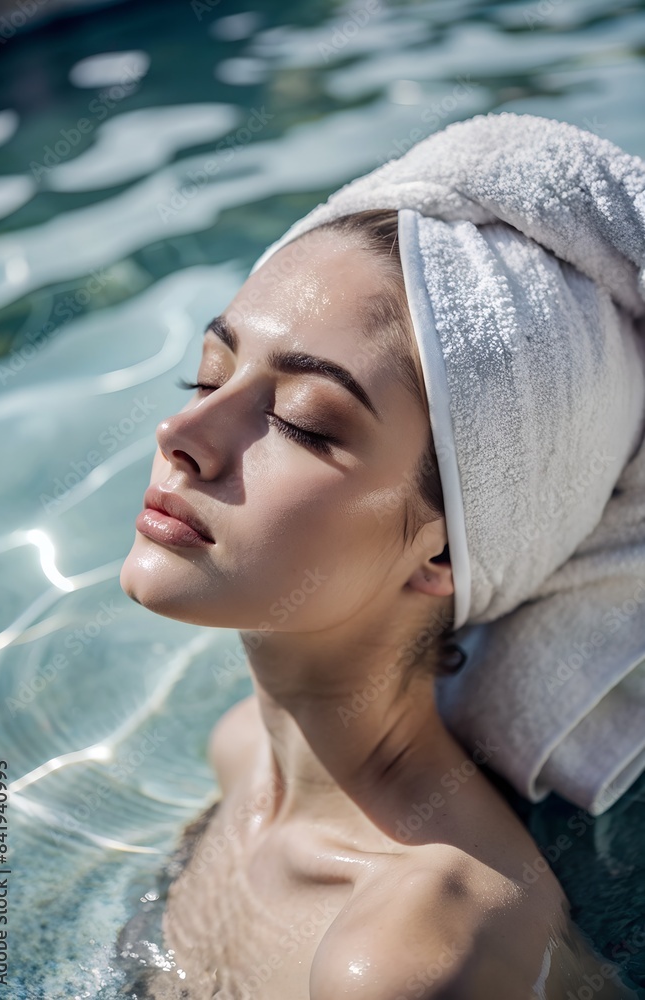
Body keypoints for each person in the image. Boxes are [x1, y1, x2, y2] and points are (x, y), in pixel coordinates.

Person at [119, 202, 639, 998]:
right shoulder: (241, 752)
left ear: (440, 548)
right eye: (210, 375)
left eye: (302, 423)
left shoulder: (404, 951)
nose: (182, 430)